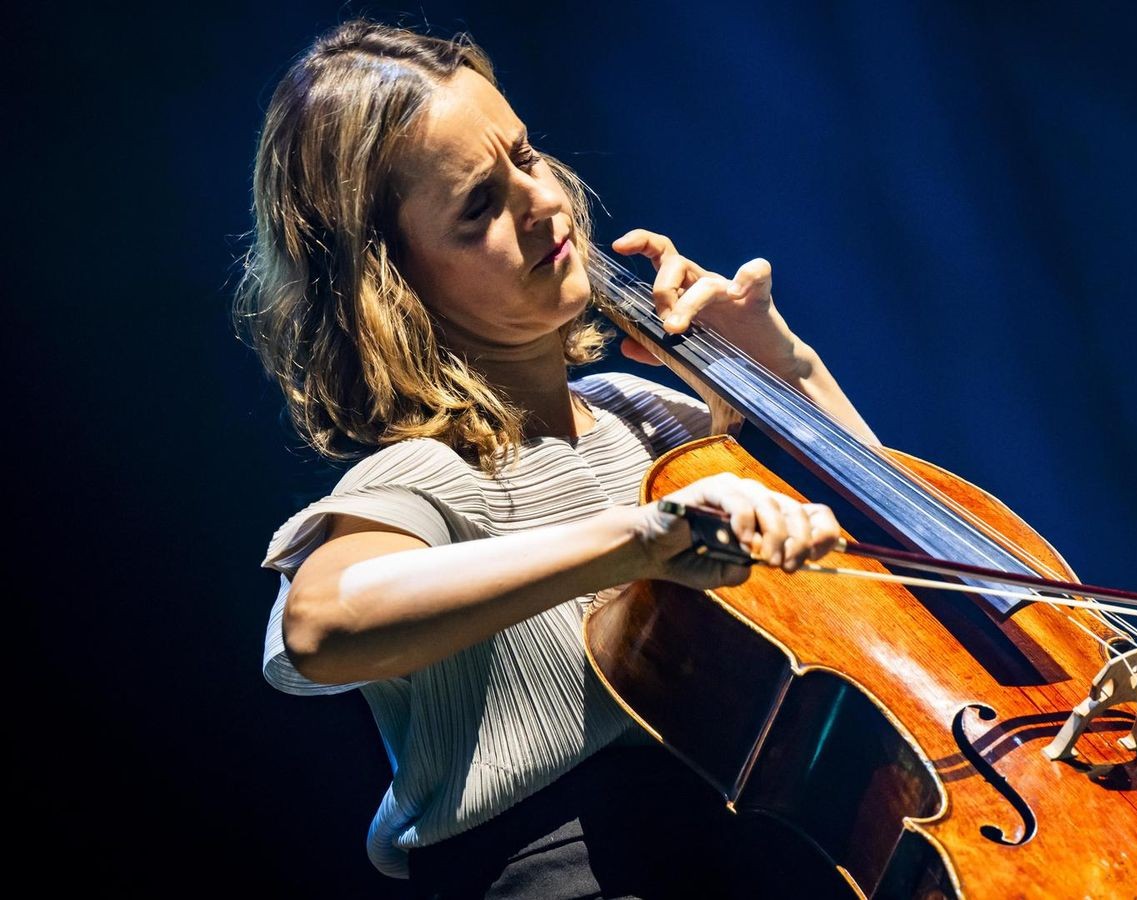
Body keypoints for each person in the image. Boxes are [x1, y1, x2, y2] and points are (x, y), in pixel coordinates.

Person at [234, 18, 877, 899]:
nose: (541, 203)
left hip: (754, 851)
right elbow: (318, 627)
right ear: (394, 287)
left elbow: (895, 560)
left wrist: (786, 367)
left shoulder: (645, 415)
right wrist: (638, 539)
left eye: (525, 157)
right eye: (478, 207)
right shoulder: (425, 475)